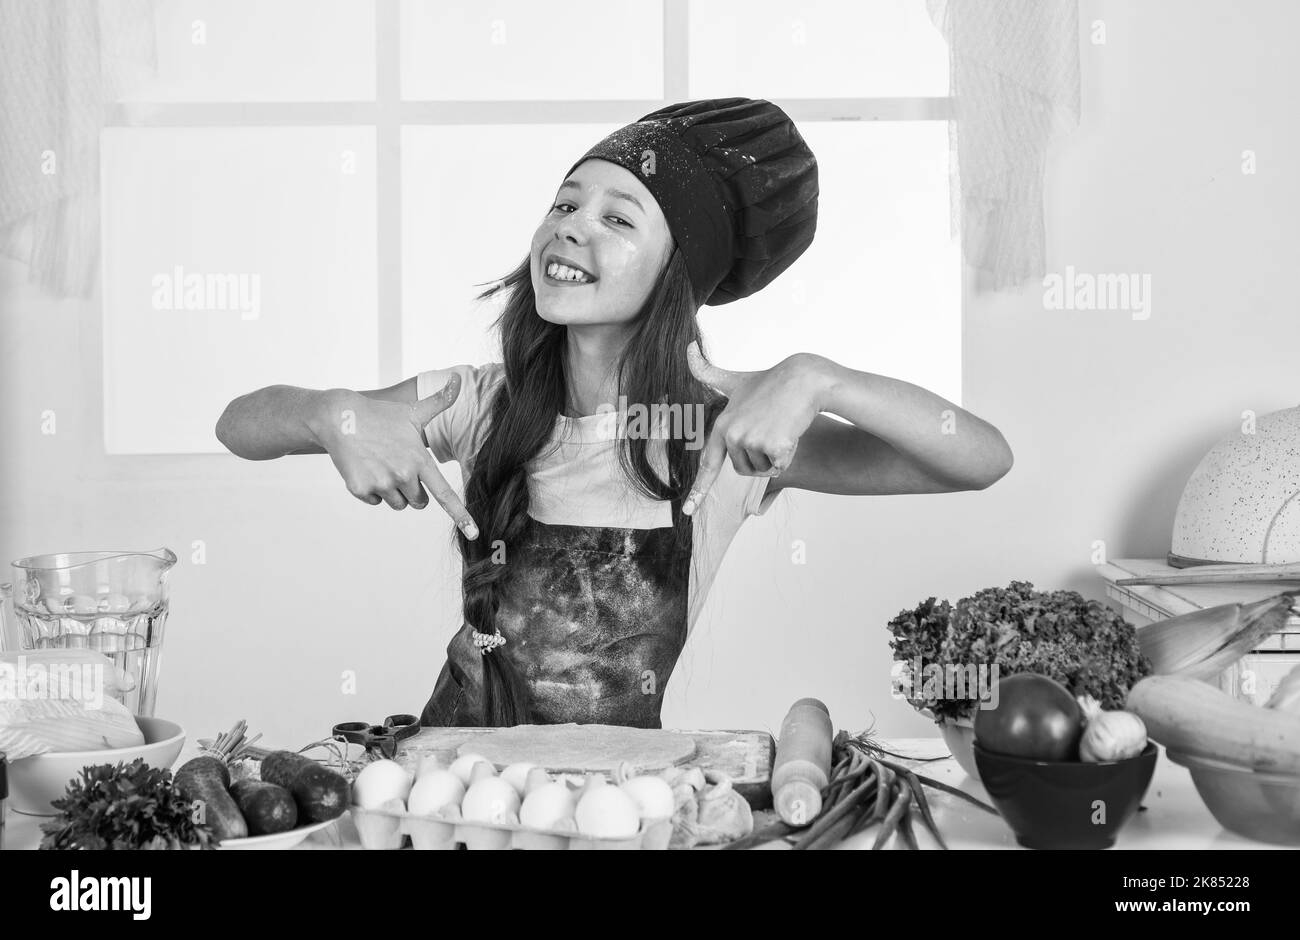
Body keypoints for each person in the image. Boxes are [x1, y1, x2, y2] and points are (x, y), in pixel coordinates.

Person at [216, 98, 1014, 730]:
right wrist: (336, 415)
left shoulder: (721, 436)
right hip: (452, 786)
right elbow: (239, 426)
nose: (571, 223)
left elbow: (979, 459)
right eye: (565, 202)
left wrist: (819, 377)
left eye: (619, 217)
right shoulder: (479, 402)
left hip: (620, 806)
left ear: (678, 273)